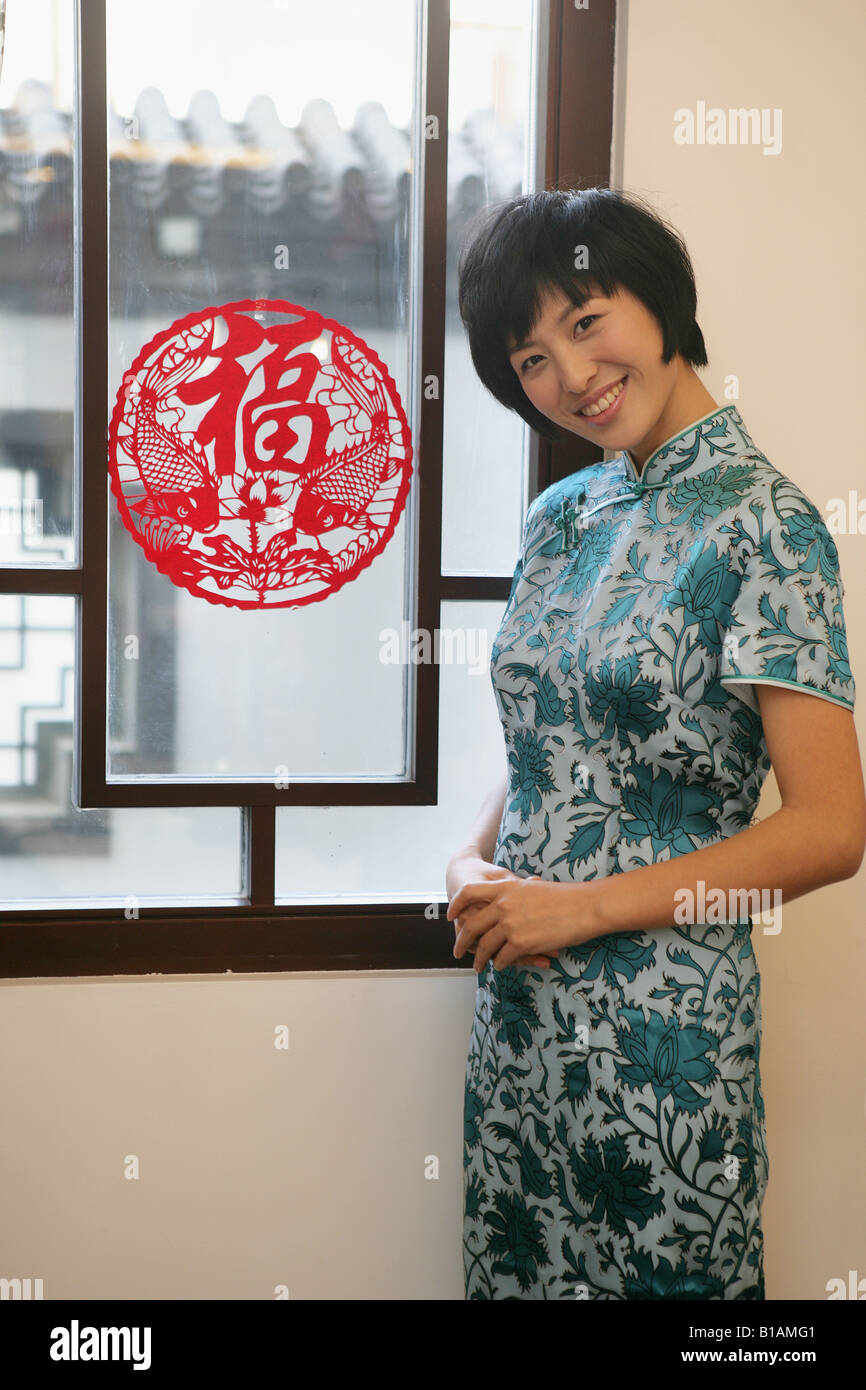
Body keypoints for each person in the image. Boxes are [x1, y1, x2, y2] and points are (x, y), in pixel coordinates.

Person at [445, 186, 866, 1300]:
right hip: (520, 1011)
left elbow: (830, 832)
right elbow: (552, 726)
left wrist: (575, 906)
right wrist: (469, 858)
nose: (569, 376)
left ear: (662, 303)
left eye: (586, 323)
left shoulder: (765, 523)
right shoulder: (559, 516)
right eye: (529, 359)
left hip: (662, 1032)